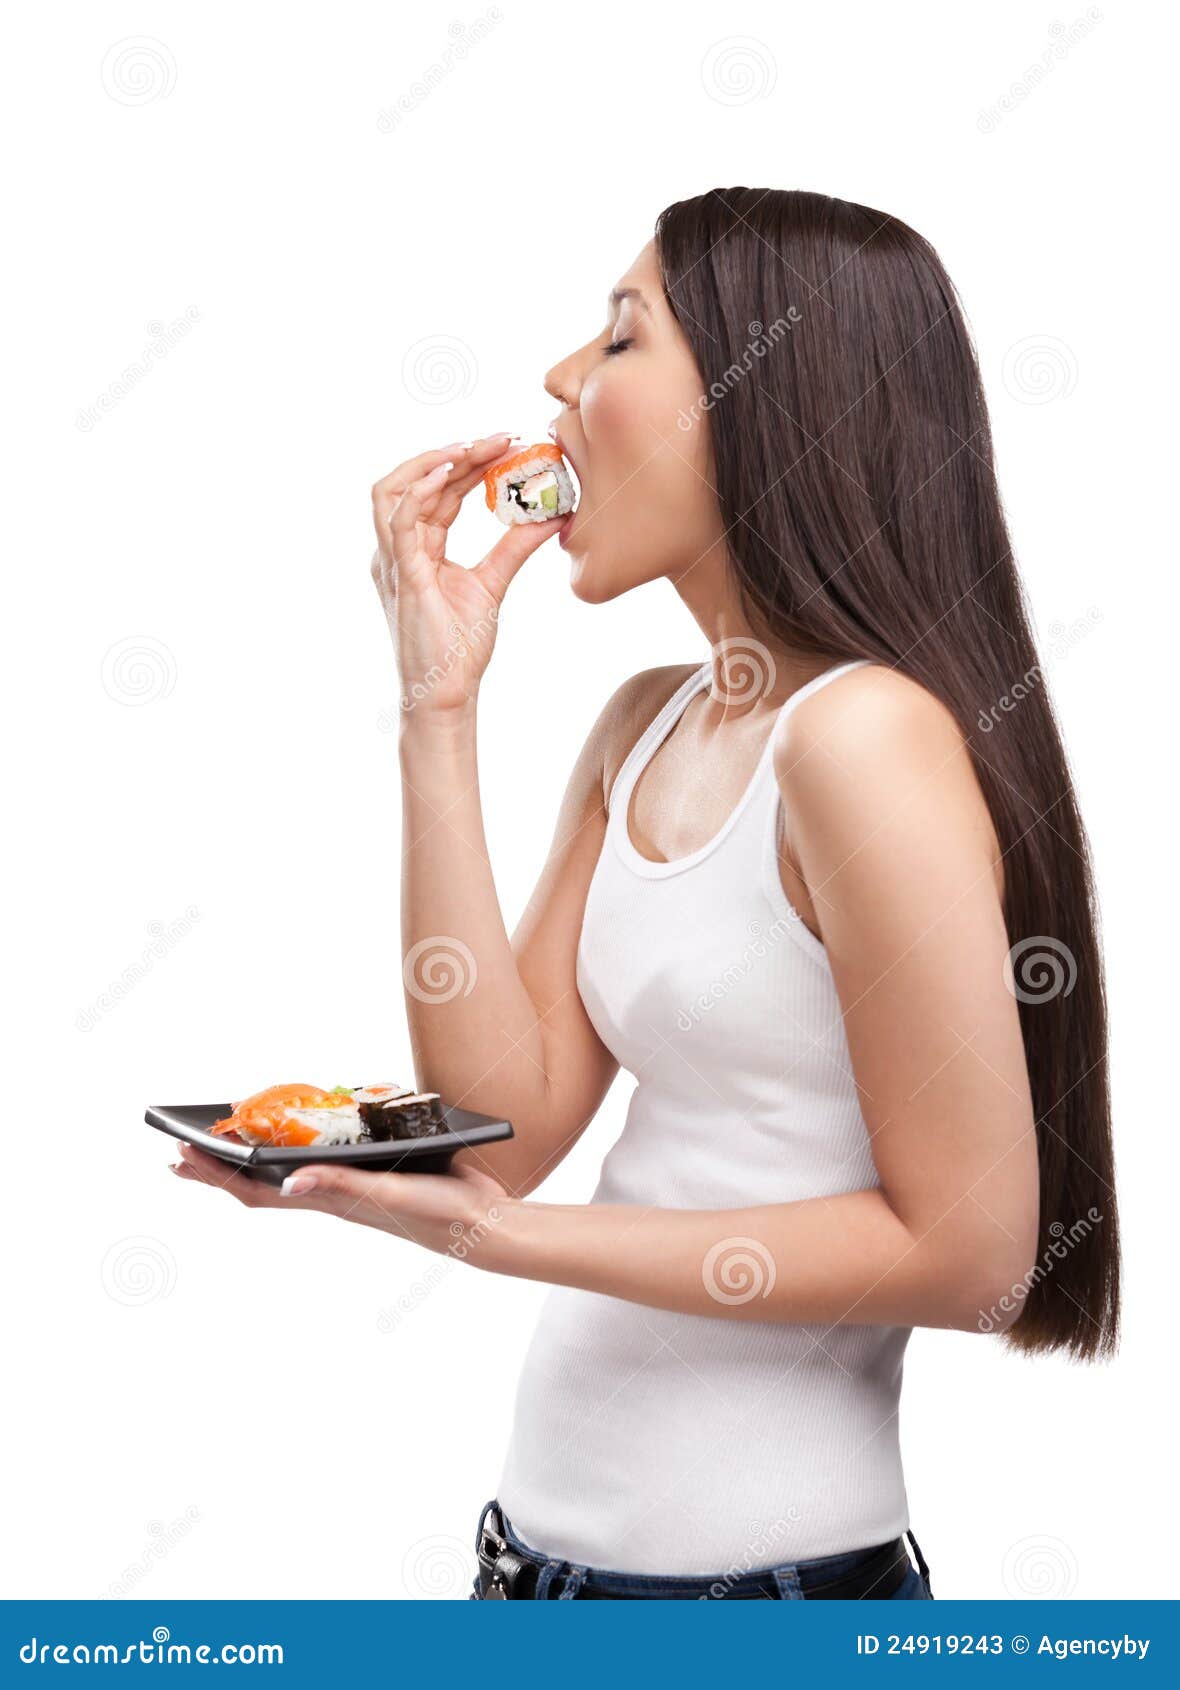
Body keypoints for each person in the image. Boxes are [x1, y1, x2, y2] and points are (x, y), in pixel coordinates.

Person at [174, 188, 1120, 1602]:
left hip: (761, 1603)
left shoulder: (862, 738)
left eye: (621, 338)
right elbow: (504, 1119)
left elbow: (974, 1253)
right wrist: (439, 705)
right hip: (532, 1572)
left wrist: (495, 1242)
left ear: (763, 400)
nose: (561, 378)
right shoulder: (645, 726)